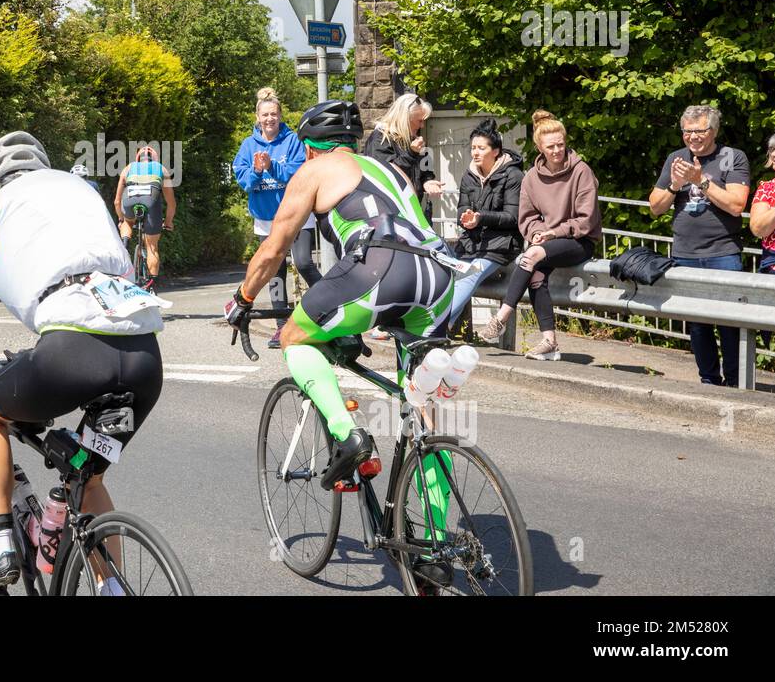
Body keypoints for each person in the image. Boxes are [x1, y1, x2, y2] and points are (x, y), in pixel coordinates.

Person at [0, 131, 166, 590]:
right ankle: (113, 587)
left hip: (72, 349)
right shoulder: (81, 197)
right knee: (89, 477)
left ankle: (0, 544)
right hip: (144, 357)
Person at [226, 99, 456, 490]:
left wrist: (243, 300)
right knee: (422, 407)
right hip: (439, 276)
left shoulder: (315, 169)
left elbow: (272, 250)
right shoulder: (392, 170)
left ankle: (348, 435)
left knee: (293, 336)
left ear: (311, 146)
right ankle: (438, 543)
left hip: (382, 269)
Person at [478, 111, 601, 360]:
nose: (556, 150)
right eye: (551, 146)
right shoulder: (532, 177)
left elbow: (586, 220)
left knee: (531, 255)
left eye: (561, 145)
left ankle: (501, 318)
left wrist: (552, 233)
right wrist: (536, 233)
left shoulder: (581, 171)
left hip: (579, 240)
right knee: (535, 274)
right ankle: (549, 341)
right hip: (547, 242)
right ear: (539, 147)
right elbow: (527, 217)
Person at [649, 104, 751, 386]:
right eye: (687, 131)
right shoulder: (676, 158)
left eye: (699, 131)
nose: (692, 137)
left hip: (723, 253)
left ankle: (735, 383)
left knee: (729, 323)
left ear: (713, 130)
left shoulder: (732, 157)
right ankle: (708, 380)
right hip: (686, 252)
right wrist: (674, 185)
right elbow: (655, 208)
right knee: (698, 324)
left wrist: (700, 181)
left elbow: (736, 205)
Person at [232, 87, 322, 348]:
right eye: (265, 114)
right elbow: (245, 181)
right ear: (257, 117)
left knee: (304, 263)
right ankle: (281, 327)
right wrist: (258, 172)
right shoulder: (248, 146)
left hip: (295, 213)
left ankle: (330, 313)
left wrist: (272, 166)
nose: (269, 118)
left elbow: (298, 174)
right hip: (267, 217)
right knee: (275, 272)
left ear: (280, 115)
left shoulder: (292, 140)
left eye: (274, 114)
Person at [449, 119, 524, 327]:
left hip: (502, 244)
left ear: (496, 151)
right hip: (472, 242)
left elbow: (513, 217)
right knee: (447, 276)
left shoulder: (513, 175)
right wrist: (466, 219)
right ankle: (440, 330)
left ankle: (438, 325)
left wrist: (480, 217)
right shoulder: (469, 175)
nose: (475, 152)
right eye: (473, 148)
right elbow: (462, 208)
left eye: (481, 148)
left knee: (470, 276)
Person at [363, 93, 445, 220]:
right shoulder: (380, 138)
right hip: (388, 214)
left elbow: (426, 168)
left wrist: (428, 180)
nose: (422, 126)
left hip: (411, 211)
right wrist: (411, 153)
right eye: (420, 121)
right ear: (405, 118)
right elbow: (386, 175)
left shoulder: (413, 139)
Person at [113, 144, 176, 292]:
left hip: (129, 200)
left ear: (138, 158)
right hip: (151, 200)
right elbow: (171, 203)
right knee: (152, 247)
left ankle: (124, 246)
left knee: (127, 222)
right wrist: (168, 222)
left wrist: (121, 219)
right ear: (154, 158)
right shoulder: (161, 169)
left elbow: (116, 201)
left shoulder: (128, 168)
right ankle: (151, 286)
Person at [749, 133, 775, 275]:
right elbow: (758, 230)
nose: (774, 154)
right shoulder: (767, 188)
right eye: (772, 149)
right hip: (774, 265)